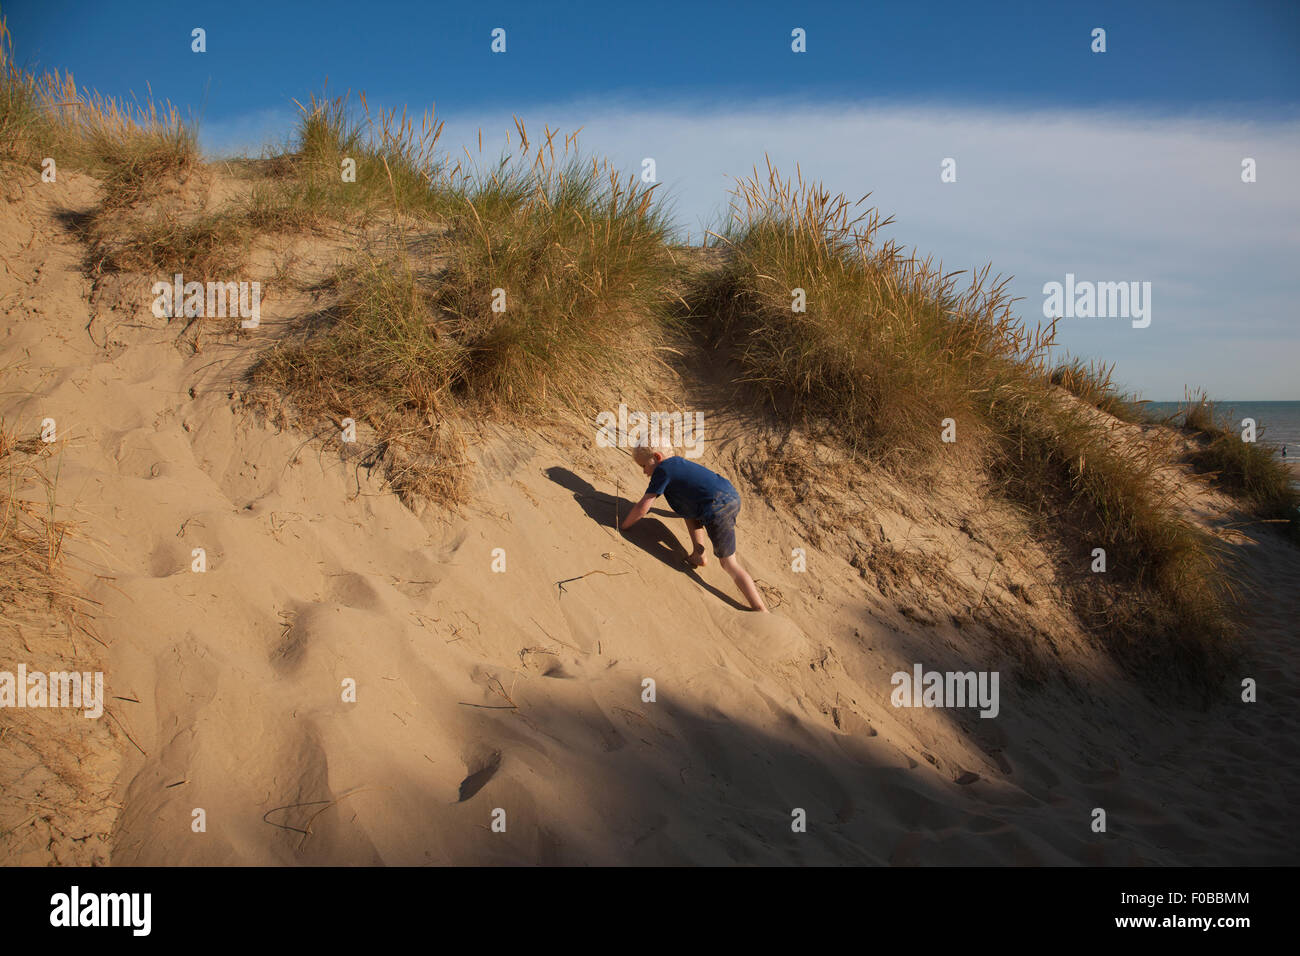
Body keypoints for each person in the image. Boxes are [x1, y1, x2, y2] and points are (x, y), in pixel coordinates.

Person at [620, 442, 768, 612]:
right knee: (686, 510)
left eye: (644, 465)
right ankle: (699, 554)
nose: (644, 471)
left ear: (657, 457)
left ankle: (759, 608)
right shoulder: (679, 465)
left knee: (729, 563)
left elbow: (644, 506)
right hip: (727, 494)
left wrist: (623, 526)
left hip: (716, 506)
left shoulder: (662, 470)